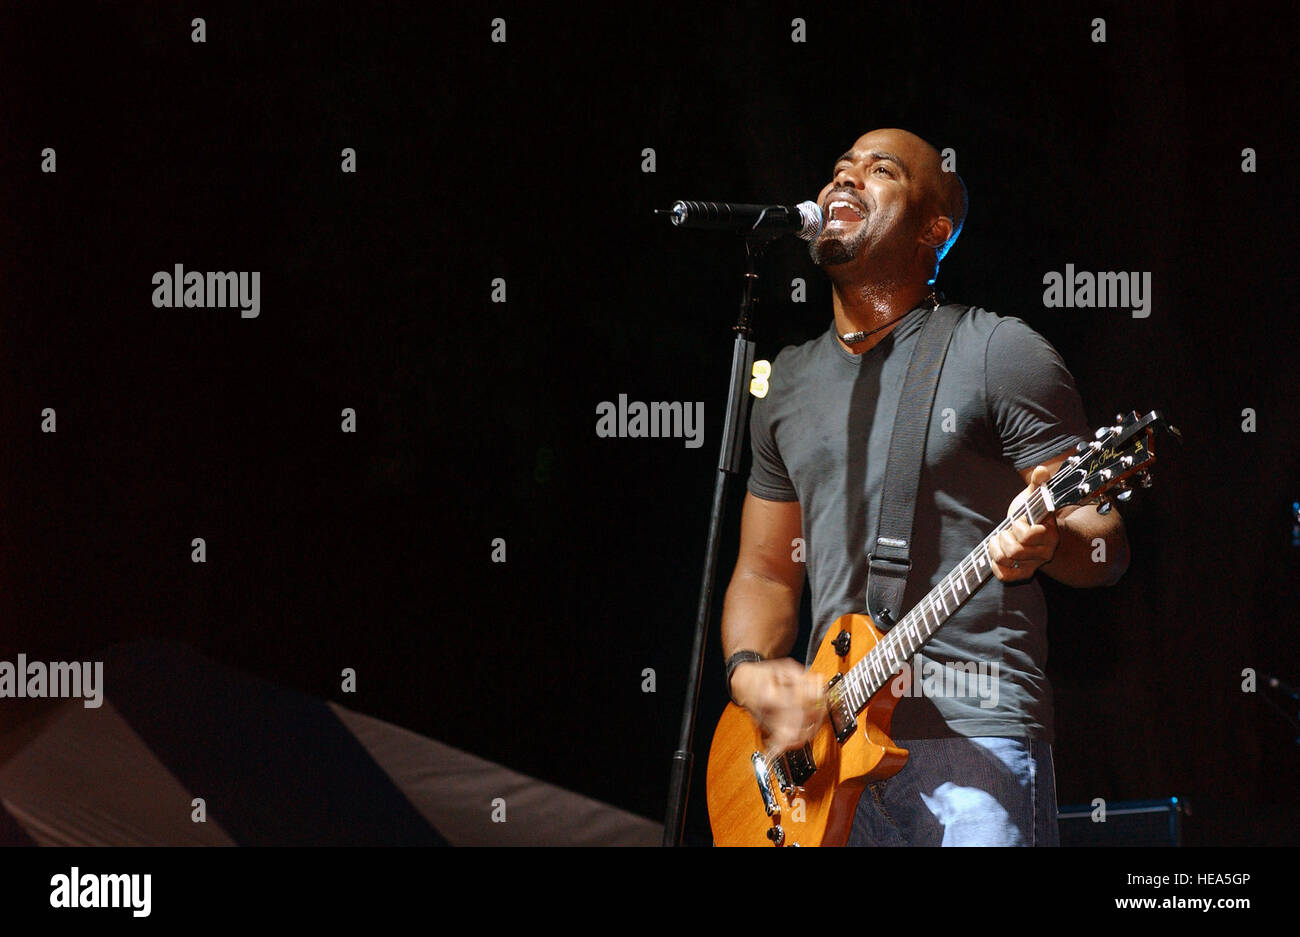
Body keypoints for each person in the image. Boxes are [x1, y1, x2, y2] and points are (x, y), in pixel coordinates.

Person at [720, 128, 1129, 846]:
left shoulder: (999, 350)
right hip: (822, 765)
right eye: (839, 168)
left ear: (932, 231)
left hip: (974, 738)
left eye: (880, 171)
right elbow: (765, 572)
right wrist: (750, 676)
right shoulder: (785, 382)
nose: (846, 179)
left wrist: (1049, 541)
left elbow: (1106, 544)